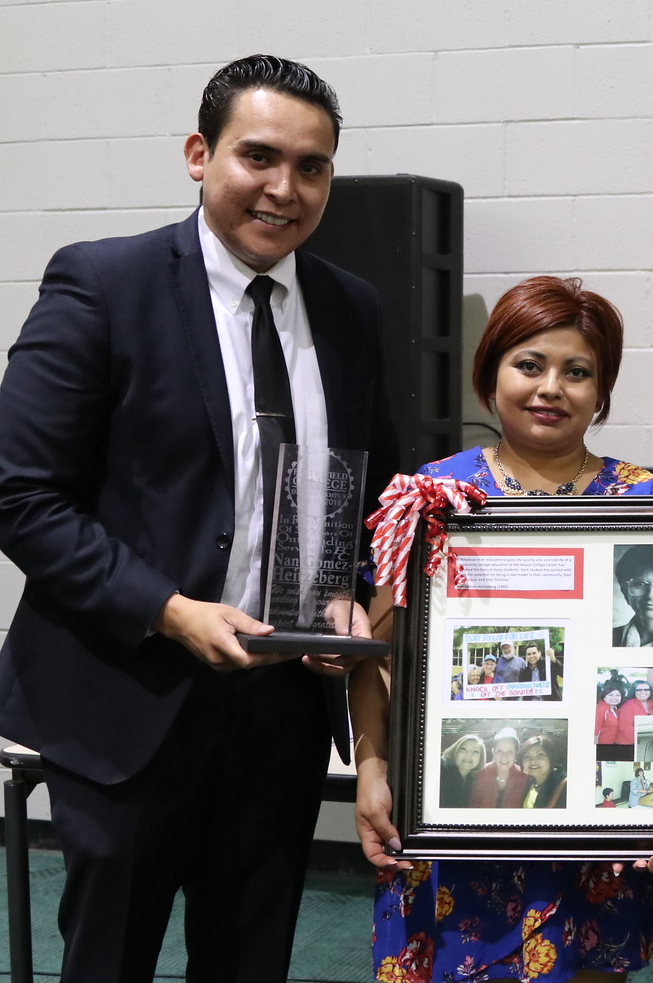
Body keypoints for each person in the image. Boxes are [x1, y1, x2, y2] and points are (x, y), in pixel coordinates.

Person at [0, 55, 398, 982]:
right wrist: (171, 608)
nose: (283, 188)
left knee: (248, 958)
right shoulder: (104, 284)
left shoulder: (351, 308)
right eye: (258, 156)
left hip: (280, 714)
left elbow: (368, 489)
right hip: (125, 699)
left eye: (312, 166)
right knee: (112, 960)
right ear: (197, 154)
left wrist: (350, 596)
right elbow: (22, 496)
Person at [352, 275, 653, 982]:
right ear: (490, 374)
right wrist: (373, 768)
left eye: (577, 371)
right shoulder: (433, 491)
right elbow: (374, 649)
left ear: (602, 390)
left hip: (594, 825)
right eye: (529, 364)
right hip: (455, 811)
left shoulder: (640, 495)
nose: (551, 387)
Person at [469, 727, 532, 809]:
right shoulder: (481, 773)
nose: (504, 757)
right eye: (499, 751)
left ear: (516, 755)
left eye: (510, 752)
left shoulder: (525, 777)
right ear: (493, 752)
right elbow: (473, 805)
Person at [520, 733, 568, 809]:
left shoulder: (565, 788)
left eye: (540, 755)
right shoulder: (527, 782)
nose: (532, 761)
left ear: (551, 758)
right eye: (527, 756)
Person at [439, 733, 486, 809]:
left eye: (475, 751)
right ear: (455, 751)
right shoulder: (441, 769)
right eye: (463, 749)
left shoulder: (476, 780)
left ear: (481, 758)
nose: (468, 755)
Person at [617, 679, 653, 744]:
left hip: (647, 742)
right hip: (631, 743)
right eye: (639, 690)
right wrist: (640, 742)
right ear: (634, 691)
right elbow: (626, 730)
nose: (643, 692)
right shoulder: (628, 706)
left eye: (646, 690)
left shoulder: (652, 704)